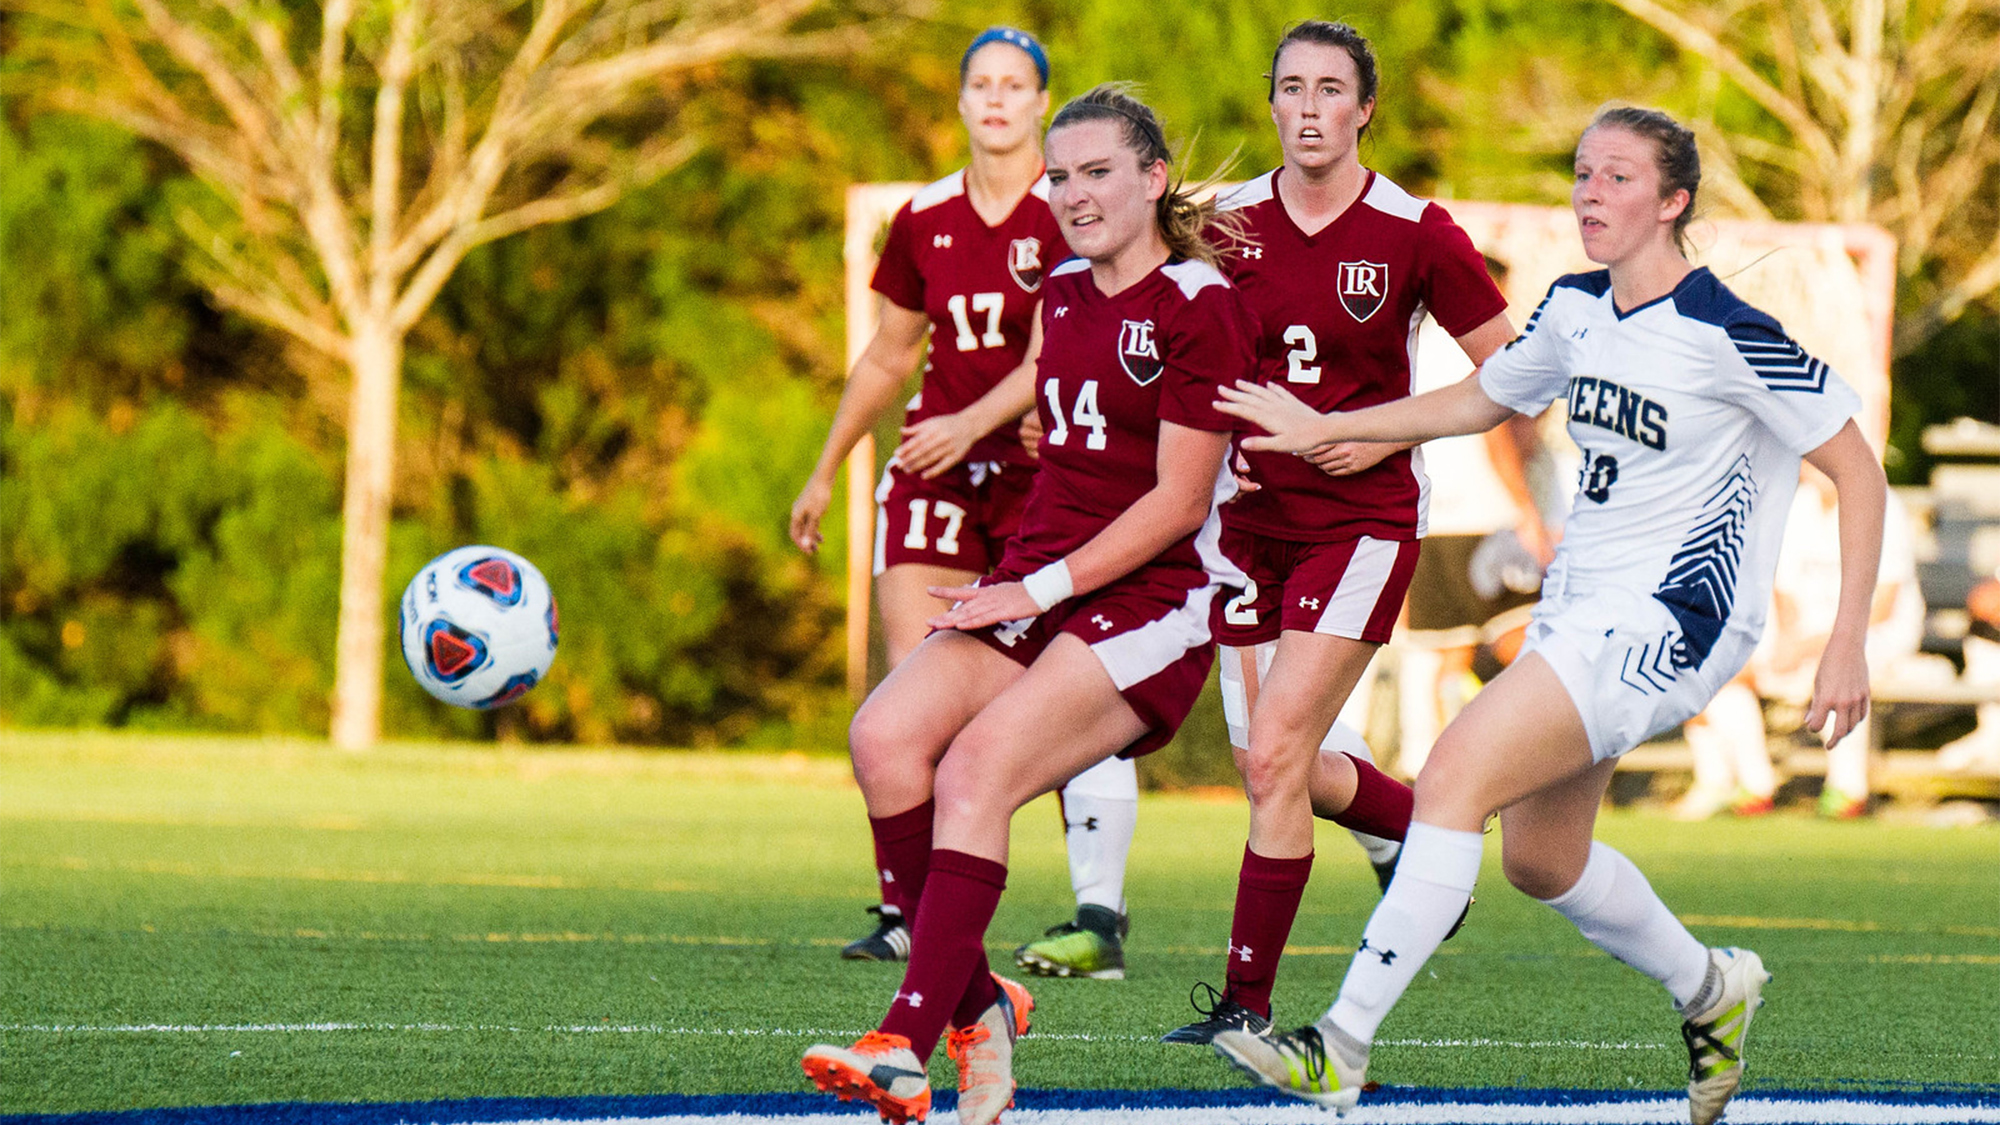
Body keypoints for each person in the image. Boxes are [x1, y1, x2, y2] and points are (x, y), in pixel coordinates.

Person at [1206, 105, 1883, 1125]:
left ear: (1671, 202)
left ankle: (1336, 1047)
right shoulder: (1571, 309)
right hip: (1577, 605)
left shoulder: (1726, 332)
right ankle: (1710, 990)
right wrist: (1329, 429)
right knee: (1540, 860)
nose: (1587, 195)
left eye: (1615, 178)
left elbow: (1856, 470)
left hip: (1673, 617)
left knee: (1450, 779)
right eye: (1579, 174)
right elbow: (1480, 398)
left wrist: (1844, 644)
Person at [800, 85, 1257, 1125]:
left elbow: (1177, 501)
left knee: (974, 772)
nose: (1072, 194)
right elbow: (1062, 470)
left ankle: (905, 1045)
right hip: (1043, 573)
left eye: (1097, 172)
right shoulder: (1057, 289)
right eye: (1059, 177)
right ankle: (983, 1007)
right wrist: (1012, 577)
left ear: (1151, 179)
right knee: (880, 737)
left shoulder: (1198, 303)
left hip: (1154, 596)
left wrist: (1036, 585)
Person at [1158, 20, 1517, 1046]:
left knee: (1275, 753)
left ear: (1363, 109)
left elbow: (1508, 375)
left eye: (1329, 89)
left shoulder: (1413, 230)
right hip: (1243, 525)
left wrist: (1366, 434)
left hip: (1357, 525)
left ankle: (1245, 1006)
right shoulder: (1215, 224)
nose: (1307, 107)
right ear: (1269, 105)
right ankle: (1426, 838)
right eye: (1289, 88)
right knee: (1276, 765)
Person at [789, 28, 1131, 964]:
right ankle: (913, 912)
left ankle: (1100, 912)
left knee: (1072, 678)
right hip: (936, 468)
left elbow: (1051, 355)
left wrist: (974, 421)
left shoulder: (1069, 210)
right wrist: (826, 467)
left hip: (1039, 470)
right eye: (980, 82)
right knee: (915, 687)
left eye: (1015, 86)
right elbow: (889, 355)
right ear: (958, 100)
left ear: (1041, 103)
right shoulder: (924, 216)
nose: (996, 100)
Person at [1678, 472, 1923, 819]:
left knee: (1837, 667)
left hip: (1874, 635)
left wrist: (1808, 646)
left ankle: (1847, 789)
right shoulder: (1800, 505)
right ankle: (1754, 784)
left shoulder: (1881, 503)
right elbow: (1785, 590)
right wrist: (1789, 642)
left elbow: (1880, 608)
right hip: (1808, 636)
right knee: (1718, 665)